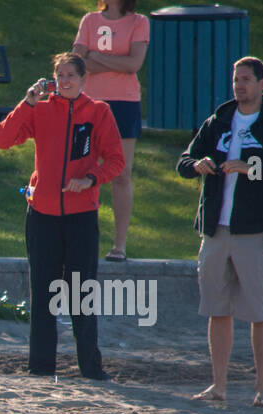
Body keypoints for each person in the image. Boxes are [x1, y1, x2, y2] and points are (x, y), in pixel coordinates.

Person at [179, 56, 263, 408]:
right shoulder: (218, 120)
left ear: (262, 83)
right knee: (217, 309)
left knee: (259, 311)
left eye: (246, 79)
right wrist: (197, 164)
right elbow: (184, 160)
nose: (239, 86)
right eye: (236, 80)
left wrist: (253, 168)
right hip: (215, 232)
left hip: (255, 233)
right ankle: (218, 386)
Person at [0, 52, 123, 380]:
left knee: (81, 294)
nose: (64, 80)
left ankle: (91, 369)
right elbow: (1, 140)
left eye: (70, 75)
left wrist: (90, 179)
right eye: (59, 74)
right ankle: (40, 368)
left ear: (83, 79)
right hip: (42, 214)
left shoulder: (98, 112)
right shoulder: (41, 109)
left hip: (81, 215)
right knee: (43, 292)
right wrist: (27, 104)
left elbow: (115, 160)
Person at [73, 0, 150, 262]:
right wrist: (114, 62)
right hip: (89, 103)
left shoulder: (139, 22)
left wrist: (94, 56)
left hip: (124, 103)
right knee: (81, 168)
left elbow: (134, 64)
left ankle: (119, 245)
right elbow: (77, 63)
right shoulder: (89, 21)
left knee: (121, 173)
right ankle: (81, 242)